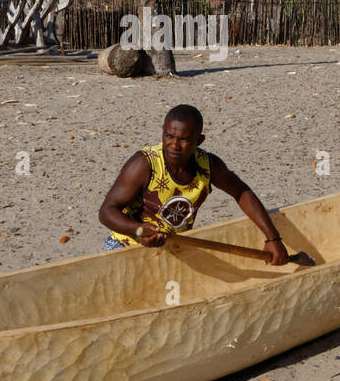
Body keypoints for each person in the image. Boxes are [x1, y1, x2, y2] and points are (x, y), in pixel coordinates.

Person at [99, 104, 291, 265]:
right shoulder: (144, 163)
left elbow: (241, 192)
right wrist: (137, 230)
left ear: (198, 140)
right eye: (168, 136)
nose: (174, 145)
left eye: (183, 140)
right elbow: (106, 211)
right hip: (125, 246)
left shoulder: (208, 166)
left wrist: (273, 238)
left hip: (171, 249)